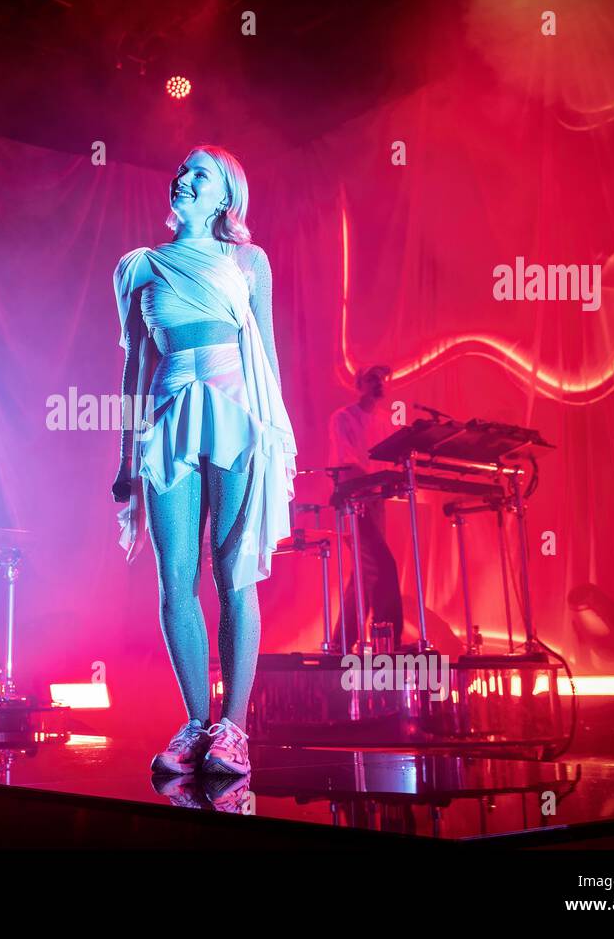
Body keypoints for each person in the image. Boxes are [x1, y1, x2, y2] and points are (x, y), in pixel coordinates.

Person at [112, 145, 297, 776]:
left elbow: (265, 349)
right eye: (182, 171)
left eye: (201, 174)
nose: (184, 180)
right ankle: (196, 722)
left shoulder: (248, 261)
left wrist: (275, 436)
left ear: (225, 196)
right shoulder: (140, 266)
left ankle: (234, 729)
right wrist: (125, 459)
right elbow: (135, 367)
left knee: (233, 570)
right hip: (168, 418)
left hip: (236, 411)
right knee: (175, 579)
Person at [328, 364, 404, 649]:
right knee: (381, 567)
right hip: (355, 502)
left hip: (377, 501)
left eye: (383, 378)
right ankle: (389, 640)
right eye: (373, 378)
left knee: (363, 574)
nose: (379, 383)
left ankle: (341, 642)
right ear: (359, 384)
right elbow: (347, 461)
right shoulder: (343, 418)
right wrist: (372, 483)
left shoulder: (386, 421)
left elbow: (392, 460)